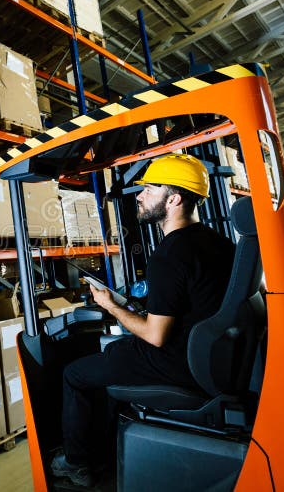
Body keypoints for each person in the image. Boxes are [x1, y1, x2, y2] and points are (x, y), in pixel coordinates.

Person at [50, 154, 236, 486]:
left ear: (174, 198)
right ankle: (105, 447)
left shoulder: (170, 254)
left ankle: (77, 463)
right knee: (113, 355)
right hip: (209, 355)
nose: (139, 196)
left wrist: (111, 306)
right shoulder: (218, 242)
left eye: (149, 189)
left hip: (177, 362)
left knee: (74, 374)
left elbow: (155, 335)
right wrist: (135, 308)